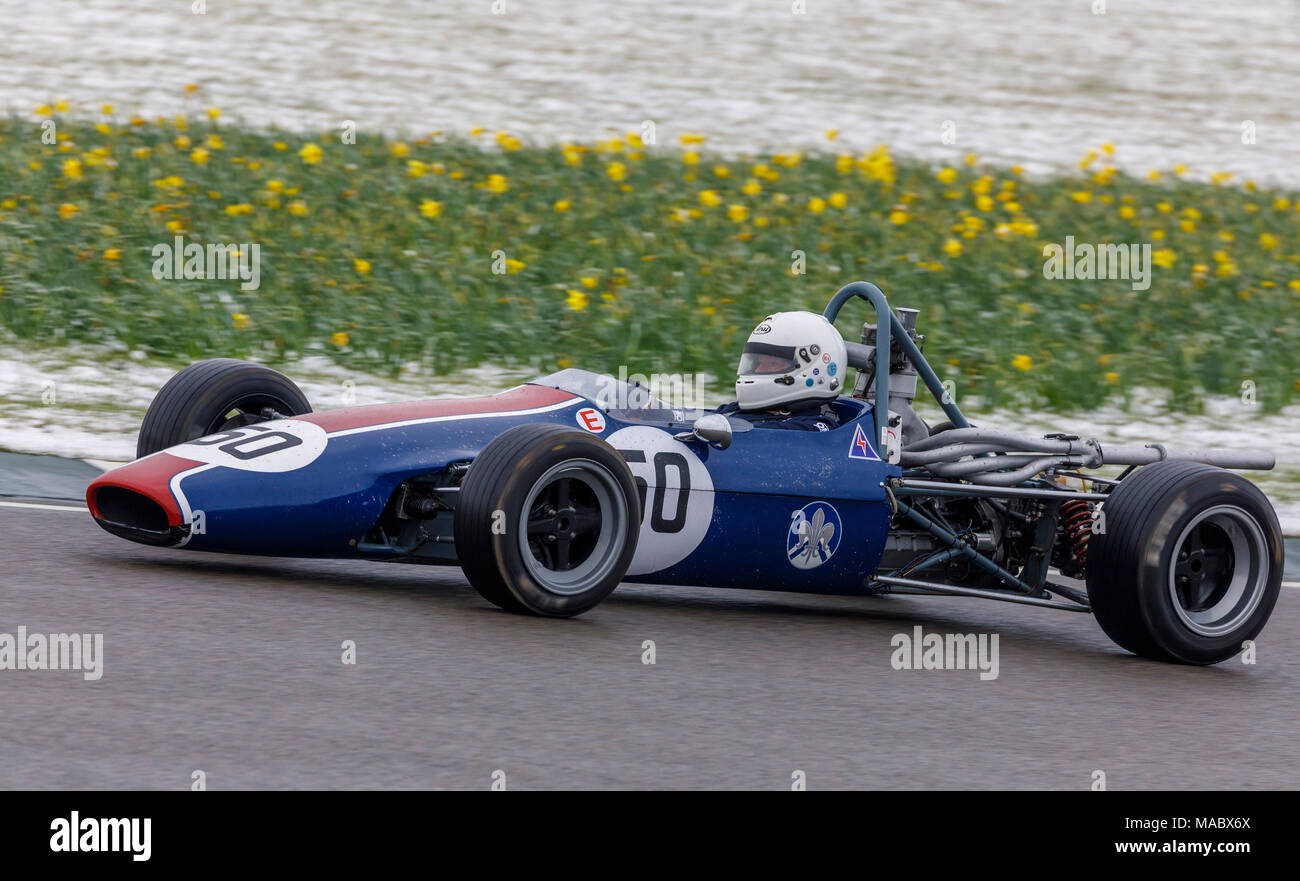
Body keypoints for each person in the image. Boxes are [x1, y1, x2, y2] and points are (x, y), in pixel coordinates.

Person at [714, 311, 847, 431]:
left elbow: (762, 435)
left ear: (813, 370)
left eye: (772, 363)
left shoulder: (813, 428)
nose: (759, 369)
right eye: (758, 362)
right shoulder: (734, 409)